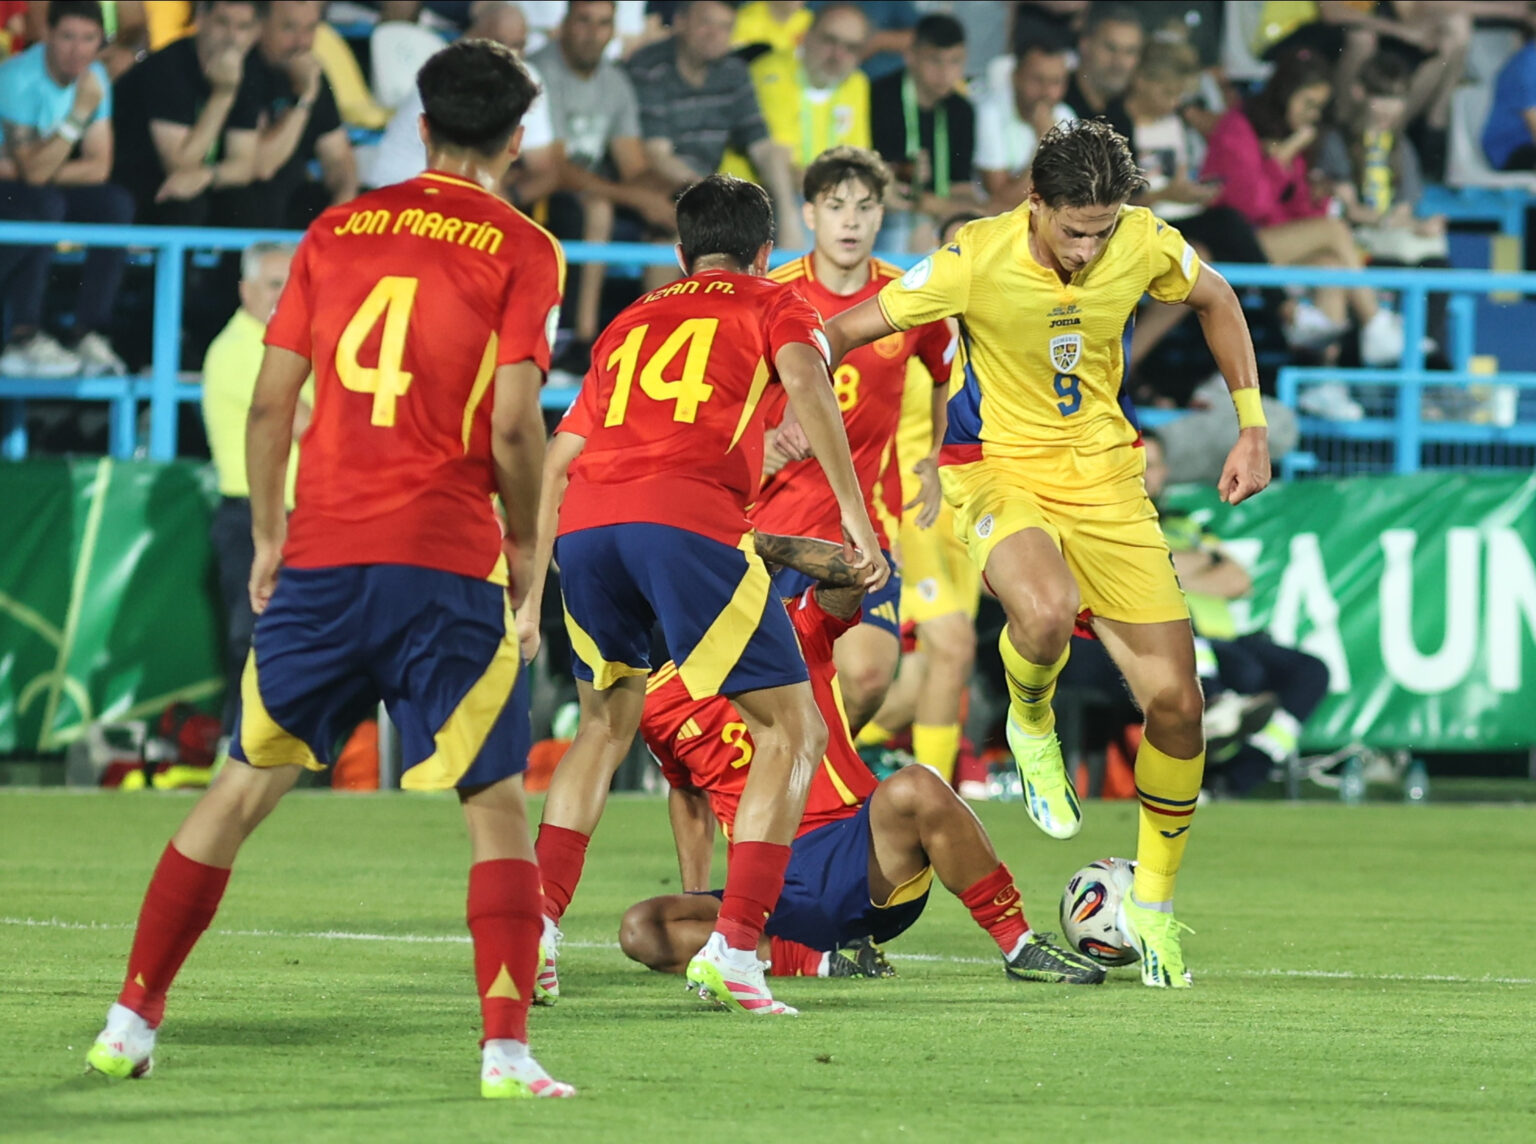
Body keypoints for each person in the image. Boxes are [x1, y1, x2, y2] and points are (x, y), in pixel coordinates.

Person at [85, 38, 574, 1099]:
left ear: (421, 124)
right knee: (493, 801)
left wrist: (269, 535)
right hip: (445, 561)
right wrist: (528, 545)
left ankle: (130, 1017)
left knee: (238, 790)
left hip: (322, 553)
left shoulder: (334, 229)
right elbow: (513, 424)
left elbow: (272, 404)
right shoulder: (524, 246)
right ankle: (505, 1050)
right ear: (516, 139)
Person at [822, 118, 1273, 989]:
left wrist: (1251, 428)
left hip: (1107, 479)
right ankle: (1031, 720)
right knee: (1044, 610)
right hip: (996, 469)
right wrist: (779, 407)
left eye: (1103, 230)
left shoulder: (1140, 241)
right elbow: (842, 331)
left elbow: (1217, 299)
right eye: (1074, 230)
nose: (1088, 247)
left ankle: (1156, 907)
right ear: (1036, 206)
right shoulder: (973, 258)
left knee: (1179, 706)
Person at [519, 174, 889, 1018]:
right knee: (793, 729)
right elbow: (808, 385)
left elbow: (554, 457)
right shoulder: (772, 301)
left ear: (680, 253)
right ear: (767, 250)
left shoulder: (630, 320)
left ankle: (536, 926)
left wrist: (529, 588)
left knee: (604, 725)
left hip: (588, 528)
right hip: (685, 519)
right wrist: (859, 524)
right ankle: (739, 948)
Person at [622, 536, 1103, 986]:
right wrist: (695, 893)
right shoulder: (658, 704)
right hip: (768, 886)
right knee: (641, 929)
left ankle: (1020, 946)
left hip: (861, 851)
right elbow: (686, 793)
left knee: (917, 784)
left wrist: (764, 544)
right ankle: (823, 962)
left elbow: (854, 571)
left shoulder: (791, 631)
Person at [754, 146, 953, 733]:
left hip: (859, 523)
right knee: (765, 695)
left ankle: (806, 794)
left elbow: (947, 377)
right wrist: (755, 448)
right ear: (809, 214)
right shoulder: (771, 293)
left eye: (866, 208)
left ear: (880, 216)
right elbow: (727, 393)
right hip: (770, 526)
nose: (851, 220)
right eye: (836, 205)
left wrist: (937, 457)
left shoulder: (909, 298)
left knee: (867, 679)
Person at [1201, 47, 1405, 415]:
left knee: (1329, 262)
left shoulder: (1287, 134)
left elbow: (1285, 213)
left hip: (1271, 242)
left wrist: (1310, 196)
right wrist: (1280, 161)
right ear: (1286, 91)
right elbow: (1247, 207)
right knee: (1331, 232)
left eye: (1318, 106)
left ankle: (1321, 380)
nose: (1312, 115)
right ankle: (1374, 322)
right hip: (1235, 246)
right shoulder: (1239, 128)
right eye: (1308, 102)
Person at [857, 209, 981, 785]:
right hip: (911, 510)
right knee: (953, 646)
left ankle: (817, 749)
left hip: (966, 513)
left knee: (922, 679)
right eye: (957, 247)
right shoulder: (910, 320)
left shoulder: (1004, 330)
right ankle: (938, 798)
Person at [1141, 432, 1329, 797]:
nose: (1146, 474)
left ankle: (1237, 779)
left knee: (1310, 671)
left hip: (1222, 641)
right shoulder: (1114, 525)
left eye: (1154, 465)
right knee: (1178, 610)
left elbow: (1237, 579)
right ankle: (1213, 703)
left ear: (1165, 472)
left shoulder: (1183, 524)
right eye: (1138, 463)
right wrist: (1198, 568)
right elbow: (1133, 573)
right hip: (1166, 648)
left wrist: (1164, 566)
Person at [200, 241, 311, 740]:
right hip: (255, 517)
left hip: (294, 514)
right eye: (273, 283)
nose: (284, 294)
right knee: (254, 639)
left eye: (292, 283)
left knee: (278, 639)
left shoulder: (283, 346)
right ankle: (236, 748)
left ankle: (263, 752)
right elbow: (306, 423)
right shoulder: (242, 349)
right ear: (244, 290)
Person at [532, 0, 676, 375]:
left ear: (613, 31)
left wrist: (674, 197)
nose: (592, 33)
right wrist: (637, 197)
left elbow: (633, 164)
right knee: (599, 209)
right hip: (541, 190)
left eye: (602, 24)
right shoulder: (541, 70)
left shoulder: (614, 81)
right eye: (583, 21)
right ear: (564, 24)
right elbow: (555, 166)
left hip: (590, 187)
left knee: (670, 217)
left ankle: (656, 344)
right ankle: (583, 339)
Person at [0, 0, 134, 379]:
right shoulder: (17, 77)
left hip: (31, 184)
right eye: (67, 37)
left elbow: (99, 167)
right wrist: (77, 117)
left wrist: (38, 167)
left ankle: (88, 332)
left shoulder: (95, 79)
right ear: (47, 36)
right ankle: (22, 338)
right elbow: (36, 174)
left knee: (115, 205)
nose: (78, 49)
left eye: (89, 38)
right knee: (45, 205)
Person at [625, 0, 806, 249]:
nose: (715, 35)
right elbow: (657, 155)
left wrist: (788, 212)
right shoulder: (649, 67)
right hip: (648, 180)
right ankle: (667, 291)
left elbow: (762, 146)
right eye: (706, 23)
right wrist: (712, 197)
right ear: (680, 22)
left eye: (725, 27)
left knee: (783, 212)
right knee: (676, 224)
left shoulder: (734, 72)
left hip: (703, 184)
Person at [110, 0, 264, 225]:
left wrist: (208, 176)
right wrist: (223, 94)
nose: (232, 37)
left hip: (190, 182)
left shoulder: (247, 70)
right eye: (223, 23)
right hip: (135, 184)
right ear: (201, 18)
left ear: (256, 31)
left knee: (244, 204)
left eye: (243, 27)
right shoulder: (167, 67)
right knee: (185, 205)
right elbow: (179, 166)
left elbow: (244, 164)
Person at [868, 12, 981, 254]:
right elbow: (884, 184)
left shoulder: (962, 110)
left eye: (955, 62)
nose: (945, 72)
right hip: (888, 215)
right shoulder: (879, 97)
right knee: (912, 224)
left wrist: (935, 205)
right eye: (935, 61)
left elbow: (962, 188)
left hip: (938, 215)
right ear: (911, 56)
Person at [242, 0, 358, 230]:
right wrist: (303, 98)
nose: (301, 42)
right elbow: (262, 166)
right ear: (260, 25)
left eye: (310, 29)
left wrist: (343, 202)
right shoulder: (244, 73)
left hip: (293, 198)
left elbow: (337, 157)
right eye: (289, 28)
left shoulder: (314, 76)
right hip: (246, 199)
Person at [974, 43, 1074, 213]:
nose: (1046, 91)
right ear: (1015, 77)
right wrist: (1045, 144)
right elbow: (1001, 198)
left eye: (1055, 82)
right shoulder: (991, 113)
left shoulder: (1066, 116)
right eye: (1037, 80)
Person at [1061, 3, 1141, 141]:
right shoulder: (1056, 101)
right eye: (1111, 48)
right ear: (1084, 45)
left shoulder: (1122, 119)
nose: (1119, 62)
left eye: (1129, 51)